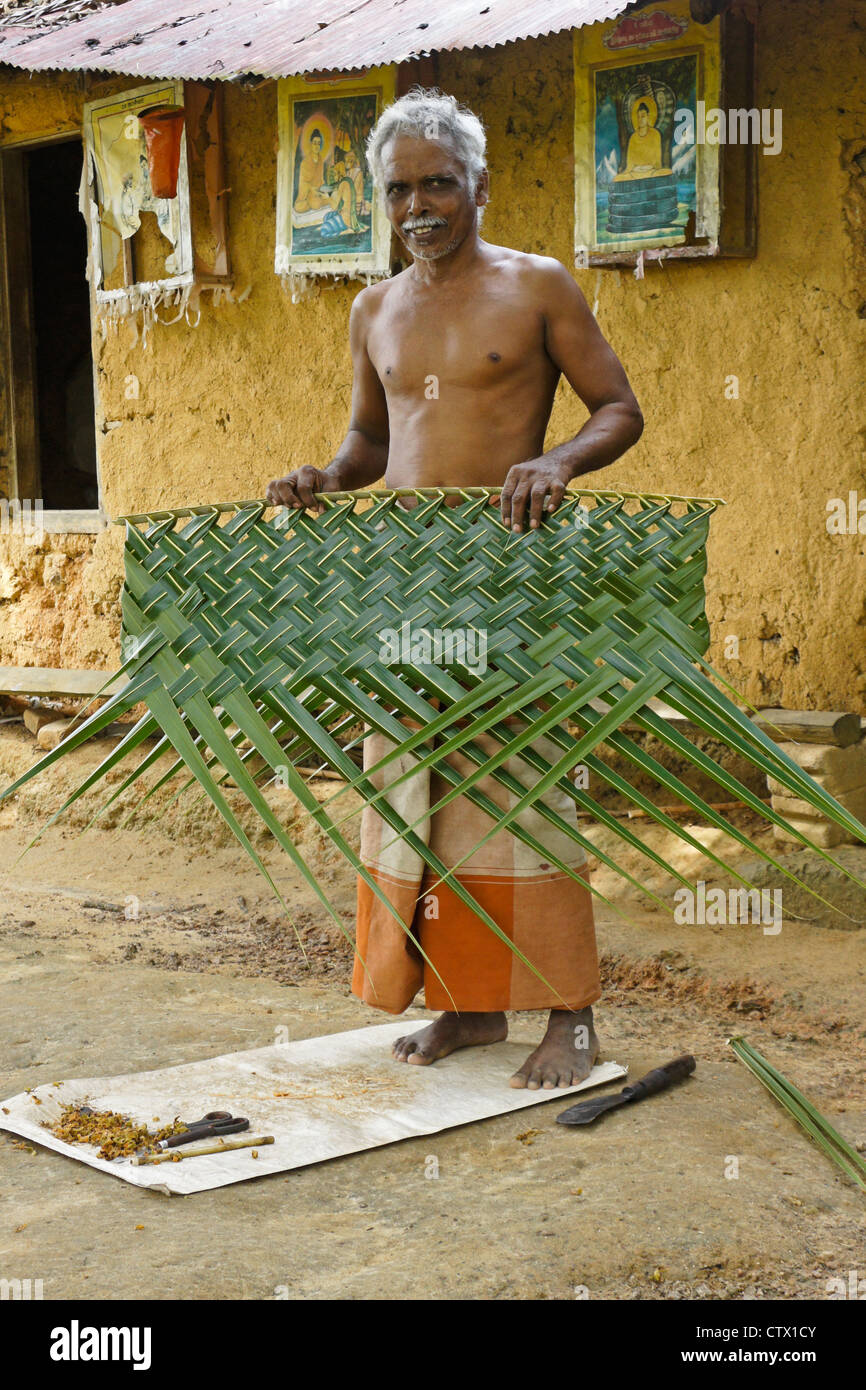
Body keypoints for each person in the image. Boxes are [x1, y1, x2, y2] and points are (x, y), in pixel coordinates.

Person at [267, 89, 643, 1088]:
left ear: (478, 184)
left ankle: (570, 1013)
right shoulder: (373, 307)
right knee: (411, 792)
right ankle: (467, 1005)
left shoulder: (536, 287)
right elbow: (368, 440)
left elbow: (616, 408)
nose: (417, 206)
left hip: (507, 578)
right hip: (404, 577)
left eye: (437, 183)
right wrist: (324, 476)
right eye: (399, 190)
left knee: (521, 788)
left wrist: (557, 462)